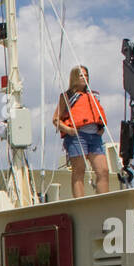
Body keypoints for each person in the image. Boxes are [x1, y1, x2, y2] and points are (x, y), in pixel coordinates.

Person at [54, 65, 110, 198]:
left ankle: (104, 200)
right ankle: (80, 201)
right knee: (79, 171)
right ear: (74, 78)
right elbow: (56, 120)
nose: (85, 78)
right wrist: (69, 130)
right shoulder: (67, 97)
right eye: (81, 75)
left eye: (86, 75)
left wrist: (101, 128)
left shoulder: (94, 95)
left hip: (95, 137)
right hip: (77, 137)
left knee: (103, 170)